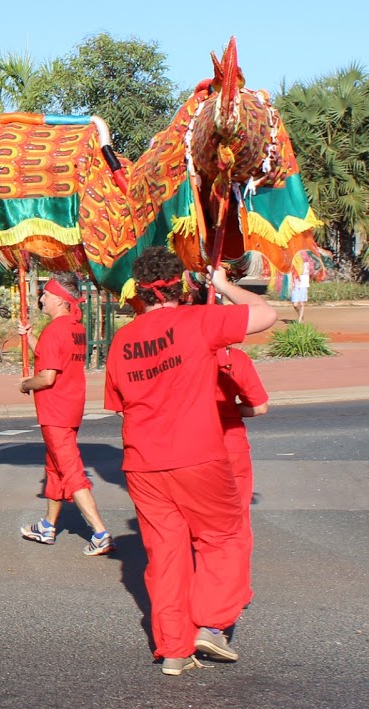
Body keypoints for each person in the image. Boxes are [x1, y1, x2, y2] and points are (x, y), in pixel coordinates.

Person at [103, 247, 277, 676]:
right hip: (197, 453)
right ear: (182, 284)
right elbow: (265, 315)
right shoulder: (199, 321)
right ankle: (212, 622)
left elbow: (120, 403)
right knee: (225, 537)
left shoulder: (122, 339)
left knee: (164, 556)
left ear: (138, 291)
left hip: (142, 461)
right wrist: (222, 286)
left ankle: (173, 649)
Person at [16, 272, 112, 556]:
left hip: (55, 411)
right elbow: (52, 357)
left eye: (45, 294)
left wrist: (24, 385)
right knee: (56, 468)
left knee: (71, 472)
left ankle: (100, 532)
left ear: (59, 299)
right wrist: (31, 337)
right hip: (70, 409)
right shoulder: (74, 328)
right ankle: (48, 525)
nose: (41, 298)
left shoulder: (56, 330)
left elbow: (46, 377)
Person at [215, 345, 269, 610]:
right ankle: (236, 588)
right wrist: (228, 411)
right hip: (230, 445)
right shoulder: (233, 358)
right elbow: (259, 407)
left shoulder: (176, 351)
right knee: (237, 522)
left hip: (189, 446)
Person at [290, 256, 311, 322]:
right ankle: (301, 315)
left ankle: (299, 321)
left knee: (302, 303)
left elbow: (309, 271)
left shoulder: (307, 264)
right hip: (295, 285)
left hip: (303, 285)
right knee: (295, 305)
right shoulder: (293, 263)